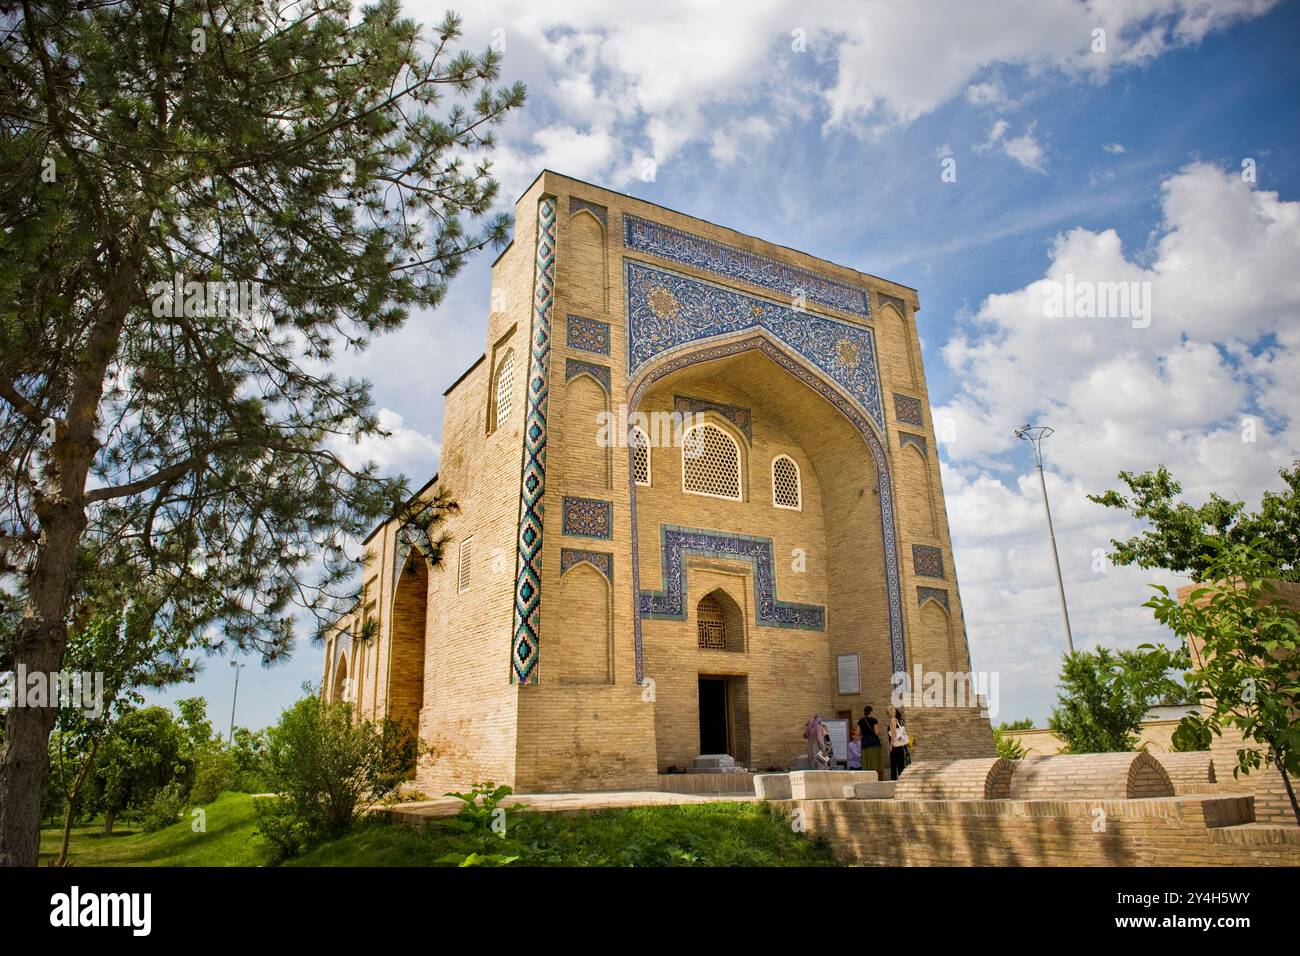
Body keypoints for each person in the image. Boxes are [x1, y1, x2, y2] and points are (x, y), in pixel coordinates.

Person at [858, 705, 883, 777]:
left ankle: (866, 776)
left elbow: (857, 733)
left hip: (865, 743)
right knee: (874, 760)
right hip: (874, 743)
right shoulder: (874, 720)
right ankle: (876, 777)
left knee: (866, 760)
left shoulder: (860, 721)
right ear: (871, 712)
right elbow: (877, 732)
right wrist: (879, 727)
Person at [889, 706, 910, 780]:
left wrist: (891, 745)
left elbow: (894, 733)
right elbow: (903, 731)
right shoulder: (901, 720)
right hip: (903, 744)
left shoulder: (893, 720)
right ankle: (904, 779)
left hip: (896, 744)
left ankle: (897, 780)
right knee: (903, 763)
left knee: (896, 764)